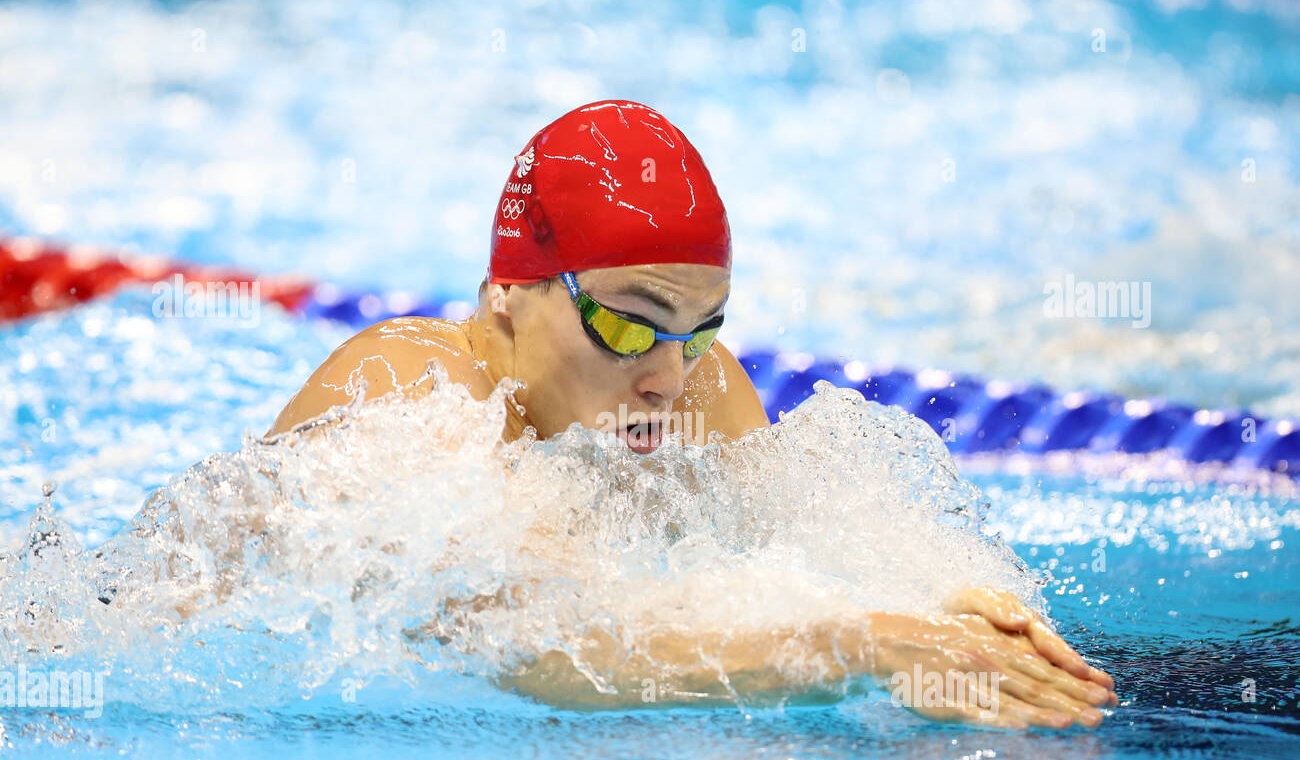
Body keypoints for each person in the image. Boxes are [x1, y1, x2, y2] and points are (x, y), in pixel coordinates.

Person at [268, 99, 1117, 727]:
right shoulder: (411, 392)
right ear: (510, 294)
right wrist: (860, 646)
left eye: (700, 332)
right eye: (625, 326)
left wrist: (948, 611)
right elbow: (526, 645)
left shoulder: (690, 387)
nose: (668, 379)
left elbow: (801, 546)